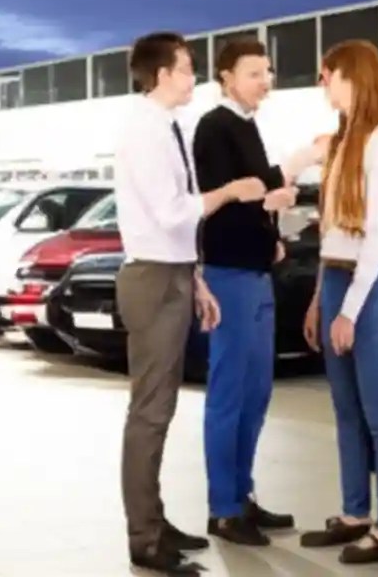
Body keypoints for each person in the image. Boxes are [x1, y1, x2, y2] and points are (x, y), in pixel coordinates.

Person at [114, 31, 269, 575]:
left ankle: (156, 521)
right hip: (153, 280)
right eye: (186, 69)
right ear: (161, 75)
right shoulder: (145, 131)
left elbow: (175, 227)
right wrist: (231, 192)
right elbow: (171, 213)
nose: (192, 78)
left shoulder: (166, 127)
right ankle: (145, 537)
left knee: (160, 409)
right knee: (150, 414)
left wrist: (196, 279)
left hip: (173, 274)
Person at [191, 37, 324, 546]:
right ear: (226, 76)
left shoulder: (246, 126)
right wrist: (293, 166)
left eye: (268, 71)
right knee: (229, 392)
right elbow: (226, 194)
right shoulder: (215, 126)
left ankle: (241, 495)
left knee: (256, 392)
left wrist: (272, 221)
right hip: (229, 274)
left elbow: (253, 198)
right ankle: (223, 507)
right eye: (253, 73)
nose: (264, 81)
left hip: (256, 271)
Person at [298, 39, 378, 565]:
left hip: (373, 281)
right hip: (339, 278)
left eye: (330, 72)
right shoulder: (344, 139)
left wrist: (349, 310)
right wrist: (322, 299)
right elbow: (332, 233)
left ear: (354, 76)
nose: (323, 81)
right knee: (345, 409)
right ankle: (353, 514)